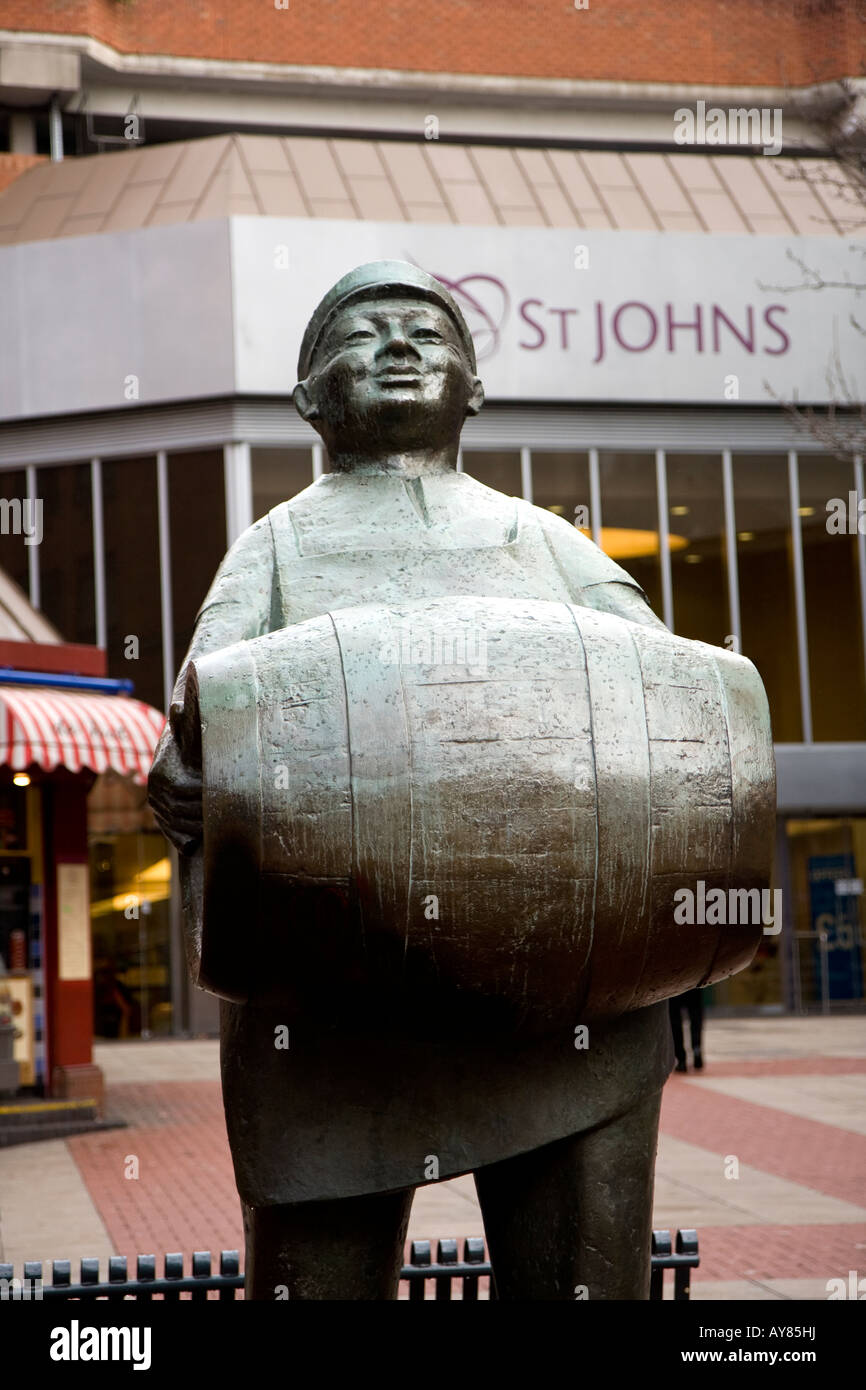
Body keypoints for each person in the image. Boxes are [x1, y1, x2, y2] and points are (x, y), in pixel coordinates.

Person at [148, 261, 675, 1300]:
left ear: (473, 389)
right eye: (364, 333)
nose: (399, 346)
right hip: (332, 1005)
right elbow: (201, 718)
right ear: (306, 399)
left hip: (559, 1005)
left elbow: (664, 696)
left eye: (428, 335)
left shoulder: (544, 542)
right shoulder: (273, 550)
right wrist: (187, 771)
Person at [669, 987, 705, 1072]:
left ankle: (681, 1059)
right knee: (696, 1018)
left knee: (675, 1021)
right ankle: (697, 1052)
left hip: (675, 983)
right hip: (694, 981)